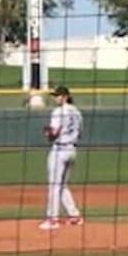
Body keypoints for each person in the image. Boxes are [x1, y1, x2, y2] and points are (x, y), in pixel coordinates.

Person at [40, 85, 84, 230]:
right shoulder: (77, 111)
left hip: (59, 150)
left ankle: (52, 219)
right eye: (54, 95)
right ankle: (75, 216)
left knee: (54, 185)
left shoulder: (59, 111)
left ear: (65, 96)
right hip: (72, 150)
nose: (55, 98)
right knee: (62, 185)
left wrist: (48, 133)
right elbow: (81, 132)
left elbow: (54, 132)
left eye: (58, 95)